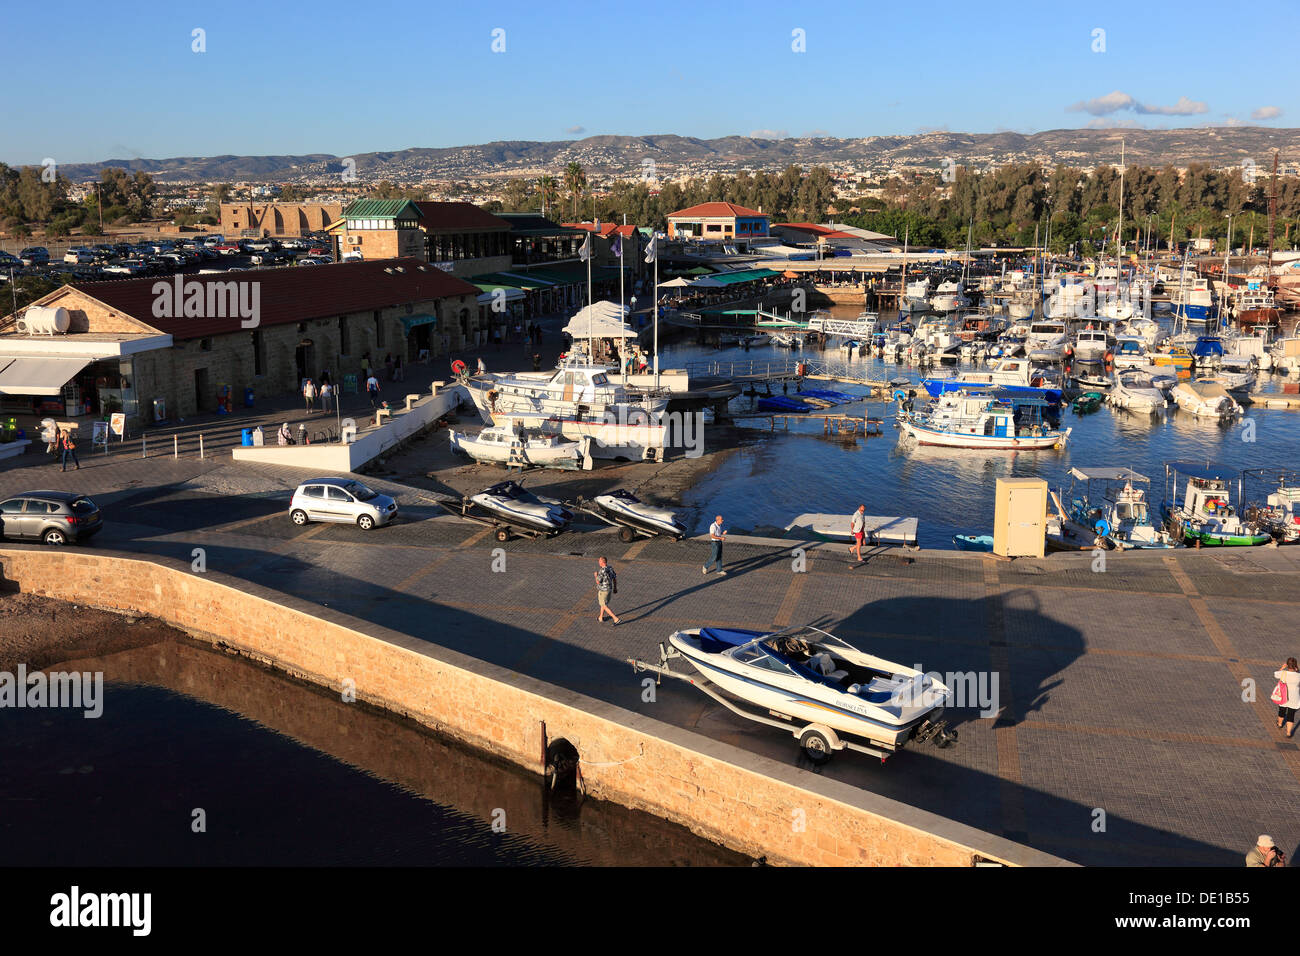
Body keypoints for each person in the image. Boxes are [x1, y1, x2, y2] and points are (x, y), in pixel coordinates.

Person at [1274, 657, 1300, 738]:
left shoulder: (1283, 673)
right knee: (1291, 715)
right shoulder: (1298, 675)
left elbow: (1275, 674)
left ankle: (1280, 724)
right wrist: (1297, 670)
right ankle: (1288, 732)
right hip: (1294, 698)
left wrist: (1282, 667)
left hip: (1283, 696)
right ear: (1295, 665)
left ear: (1287, 665)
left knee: (1282, 711)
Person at [594, 556, 620, 625]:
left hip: (603, 591)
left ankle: (615, 618)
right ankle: (600, 617)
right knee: (603, 604)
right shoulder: (610, 568)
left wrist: (596, 575)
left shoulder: (602, 570)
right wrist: (615, 588)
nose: (598, 562)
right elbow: (614, 578)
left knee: (604, 605)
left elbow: (598, 582)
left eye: (599, 561)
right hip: (609, 589)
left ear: (602, 562)